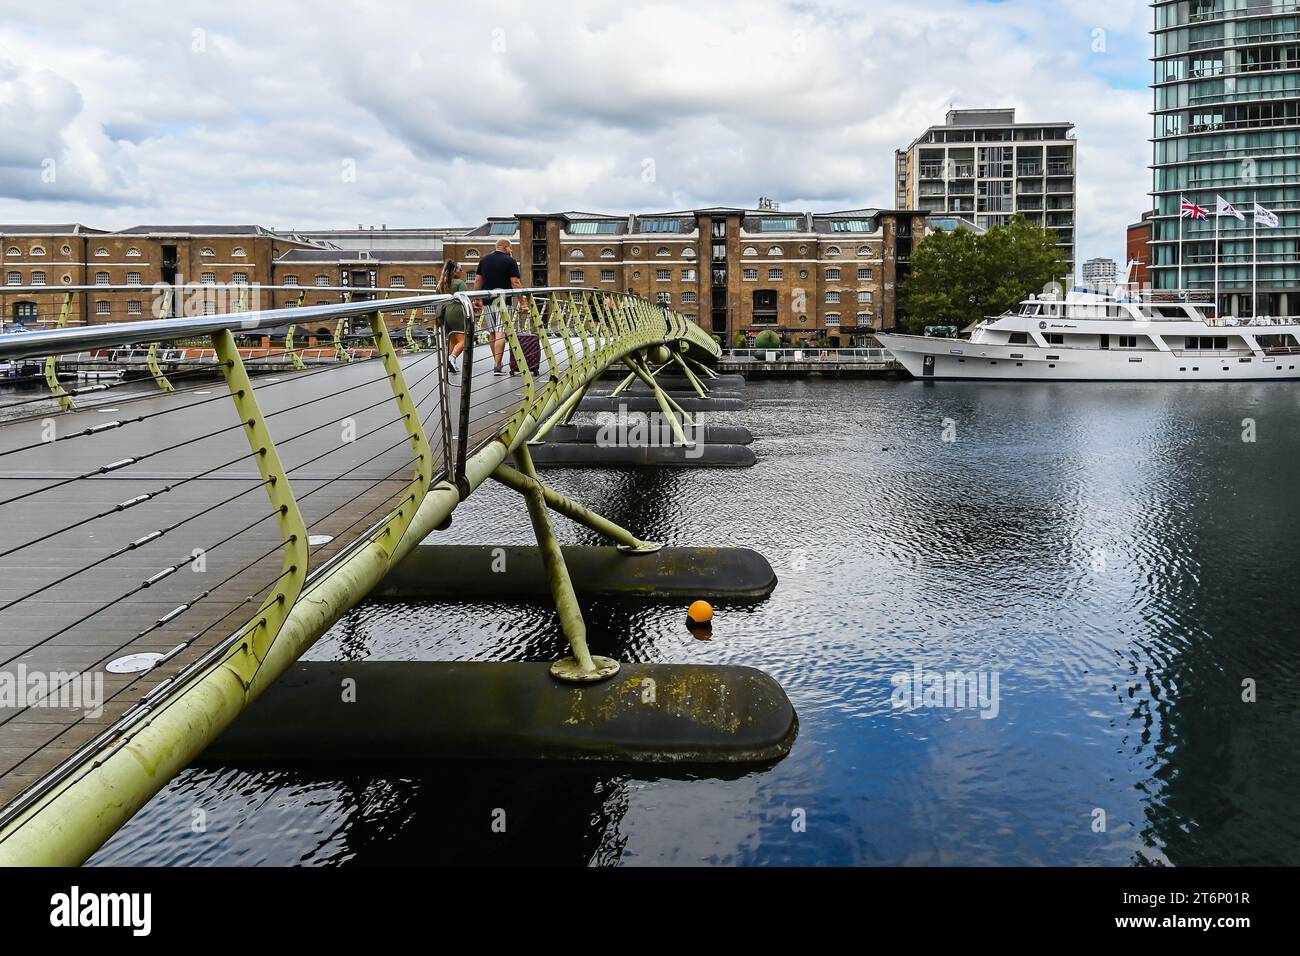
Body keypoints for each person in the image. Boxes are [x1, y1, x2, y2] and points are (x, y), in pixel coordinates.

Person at [474, 238, 523, 374]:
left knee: (493, 333)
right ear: (506, 247)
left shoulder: (484, 260)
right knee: (501, 331)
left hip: (488, 301)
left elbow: (478, 280)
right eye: (510, 248)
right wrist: (522, 302)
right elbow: (515, 283)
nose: (511, 251)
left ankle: (498, 362)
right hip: (503, 301)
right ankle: (497, 365)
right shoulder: (510, 261)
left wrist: (477, 299)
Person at [436, 259, 468, 374]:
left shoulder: (441, 284)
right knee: (464, 340)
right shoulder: (460, 283)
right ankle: (452, 357)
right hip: (457, 312)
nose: (462, 272)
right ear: (455, 272)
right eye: (460, 269)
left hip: (445, 313)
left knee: (452, 340)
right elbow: (465, 299)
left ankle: (449, 362)